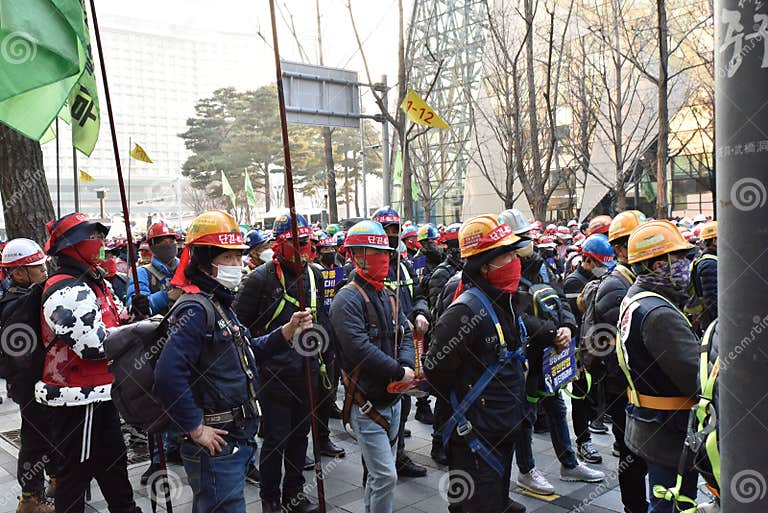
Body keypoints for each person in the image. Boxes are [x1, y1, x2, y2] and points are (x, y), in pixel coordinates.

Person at [154, 210, 313, 513]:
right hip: (217, 442)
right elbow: (168, 374)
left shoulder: (219, 303)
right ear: (205, 260)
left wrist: (286, 332)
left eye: (239, 258)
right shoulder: (196, 309)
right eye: (229, 258)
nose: (237, 266)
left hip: (237, 438)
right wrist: (195, 428)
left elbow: (246, 353)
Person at [37, 213, 142, 513]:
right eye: (93, 237)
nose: (101, 244)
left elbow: (118, 320)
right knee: (76, 473)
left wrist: (137, 313)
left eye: (101, 237)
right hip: (77, 398)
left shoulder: (97, 282)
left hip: (101, 392)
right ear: (73, 244)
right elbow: (93, 346)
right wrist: (136, 333)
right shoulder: (65, 289)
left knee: (113, 462)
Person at [234, 212, 339, 513]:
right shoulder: (259, 279)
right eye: (294, 242)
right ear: (278, 245)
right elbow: (241, 330)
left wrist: (330, 359)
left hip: (308, 371)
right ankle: (270, 498)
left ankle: (295, 495)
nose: (302, 248)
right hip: (273, 374)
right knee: (275, 439)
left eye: (305, 241)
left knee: (300, 436)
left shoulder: (315, 275)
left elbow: (324, 319)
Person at [425, 215, 528, 513]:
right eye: (506, 255)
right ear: (485, 266)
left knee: (494, 498)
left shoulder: (506, 299)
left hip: (504, 424)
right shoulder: (465, 311)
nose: (514, 260)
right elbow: (436, 369)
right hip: (474, 434)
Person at [497, 210, 605, 496]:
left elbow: (558, 298)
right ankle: (526, 470)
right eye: (519, 238)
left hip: (551, 355)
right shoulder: (502, 270)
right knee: (526, 415)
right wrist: (550, 332)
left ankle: (568, 463)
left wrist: (567, 326)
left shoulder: (540, 265)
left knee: (557, 407)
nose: (525, 242)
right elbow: (513, 314)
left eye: (526, 237)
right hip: (525, 358)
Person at [330, 219, 416, 513]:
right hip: (366, 404)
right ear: (355, 256)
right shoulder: (346, 299)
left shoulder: (388, 294)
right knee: (385, 476)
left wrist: (406, 365)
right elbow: (358, 349)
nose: (382, 258)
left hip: (393, 401)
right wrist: (397, 371)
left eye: (384, 252)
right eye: (371, 252)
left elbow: (404, 332)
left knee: (380, 475)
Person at [617, 220, 700, 513]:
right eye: (677, 258)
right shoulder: (659, 313)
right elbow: (696, 379)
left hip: (650, 421)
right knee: (670, 503)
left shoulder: (637, 297)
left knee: (662, 498)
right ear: (656, 265)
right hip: (669, 428)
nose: (686, 265)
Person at [594, 210, 649, 513]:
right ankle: (634, 507)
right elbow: (626, 346)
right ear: (618, 249)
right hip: (623, 388)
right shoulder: (615, 286)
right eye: (636, 242)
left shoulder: (633, 280)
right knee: (631, 455)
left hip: (635, 388)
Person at [371, 206, 430, 478]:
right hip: (379, 350)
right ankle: (379, 464)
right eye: (385, 230)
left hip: (405, 346)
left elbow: (419, 294)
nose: (391, 235)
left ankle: (399, 455)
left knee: (403, 402)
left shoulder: (405, 267)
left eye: (395, 230)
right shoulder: (365, 269)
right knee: (379, 408)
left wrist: (419, 312)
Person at [0, 239, 55, 513]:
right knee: (35, 440)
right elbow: (20, 353)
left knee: (52, 433)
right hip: (31, 384)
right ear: (19, 273)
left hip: (40, 381)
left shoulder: (30, 295)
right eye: (37, 266)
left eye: (43, 263)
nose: (44, 269)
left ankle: (55, 481)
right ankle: (31, 498)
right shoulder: (17, 304)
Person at [562, 233, 616, 465]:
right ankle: (583, 441)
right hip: (580, 350)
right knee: (581, 397)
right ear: (589, 260)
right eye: (600, 264)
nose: (603, 268)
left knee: (594, 394)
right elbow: (577, 320)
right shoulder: (574, 282)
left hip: (597, 348)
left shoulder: (604, 280)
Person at [127, 221, 182, 316]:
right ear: (153, 246)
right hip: (157, 328)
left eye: (172, 242)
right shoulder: (142, 273)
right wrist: (165, 296)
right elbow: (135, 307)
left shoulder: (186, 268)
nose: (169, 245)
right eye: (164, 243)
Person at [689, 221, 718, 332]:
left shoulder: (711, 260)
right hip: (712, 321)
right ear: (714, 241)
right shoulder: (709, 264)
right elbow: (712, 299)